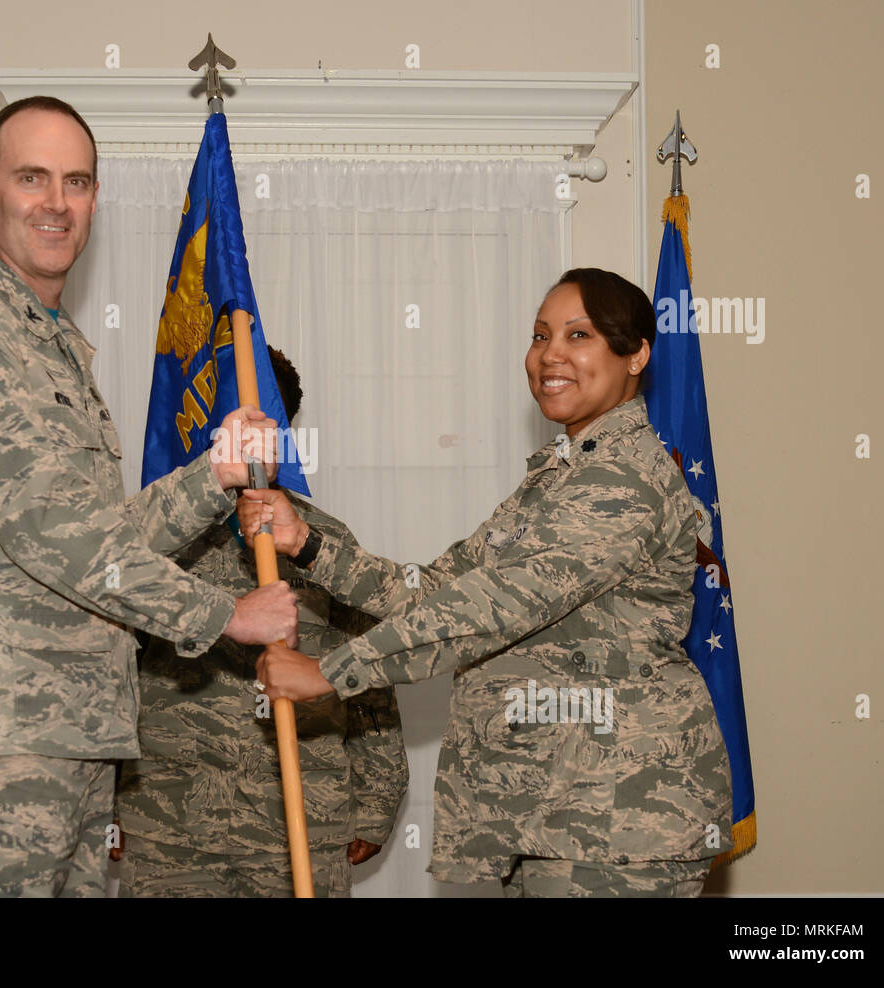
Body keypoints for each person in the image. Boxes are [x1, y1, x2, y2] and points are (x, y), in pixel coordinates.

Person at [0, 96, 298, 897]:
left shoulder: (56, 347)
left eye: (76, 181)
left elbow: (103, 532)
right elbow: (54, 532)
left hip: (72, 734)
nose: (55, 202)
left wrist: (211, 476)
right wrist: (223, 616)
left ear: (95, 201)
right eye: (31, 177)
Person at [243, 269, 734, 897]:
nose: (549, 354)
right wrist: (306, 544)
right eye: (539, 335)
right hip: (544, 812)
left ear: (636, 353)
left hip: (618, 817)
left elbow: (492, 609)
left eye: (578, 335)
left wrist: (331, 673)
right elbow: (434, 589)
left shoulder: (623, 481)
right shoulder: (556, 480)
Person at [114, 348, 410, 897]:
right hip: (170, 824)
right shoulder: (153, 538)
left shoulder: (321, 542)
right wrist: (107, 795)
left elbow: (369, 669)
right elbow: (111, 664)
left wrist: (376, 801)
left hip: (298, 818)